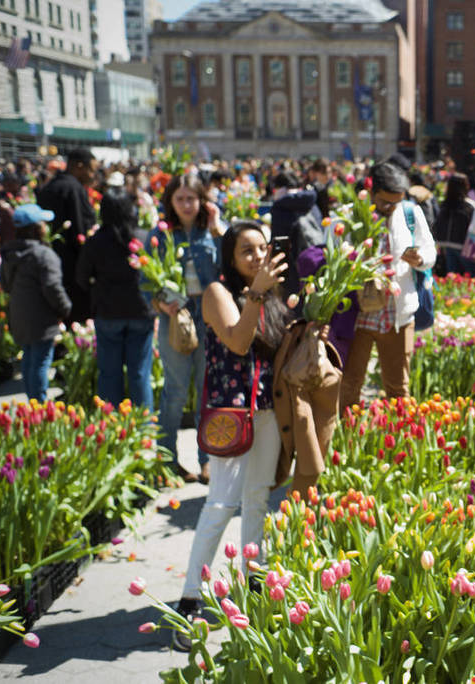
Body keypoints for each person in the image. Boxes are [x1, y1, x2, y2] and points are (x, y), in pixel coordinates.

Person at [172, 220, 292, 651]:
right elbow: (239, 342)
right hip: (229, 415)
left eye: (263, 248)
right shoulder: (216, 294)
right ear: (231, 256)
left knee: (258, 498)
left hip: (265, 412)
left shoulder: (271, 295)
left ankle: (253, 588)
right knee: (221, 503)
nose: (258, 256)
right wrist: (258, 293)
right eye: (247, 250)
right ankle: (190, 600)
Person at [339, 162, 436, 408]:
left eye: (397, 202)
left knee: (398, 387)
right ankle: (347, 439)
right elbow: (335, 256)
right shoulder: (349, 215)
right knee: (349, 384)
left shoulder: (410, 213)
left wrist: (420, 259)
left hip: (397, 313)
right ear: (370, 191)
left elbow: (429, 249)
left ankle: (398, 438)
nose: (392, 209)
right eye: (385, 203)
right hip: (359, 313)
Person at [152, 174, 225, 484]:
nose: (185, 205)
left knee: (207, 392)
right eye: (179, 199)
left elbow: (230, 267)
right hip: (176, 318)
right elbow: (147, 281)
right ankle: (166, 462)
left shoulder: (210, 232)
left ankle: (207, 461)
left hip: (207, 315)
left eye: (191, 199)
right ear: (170, 201)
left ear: (202, 201)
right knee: (175, 392)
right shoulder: (162, 234)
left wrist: (217, 228)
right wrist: (160, 304)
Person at [75, 187, 154, 410]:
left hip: (108, 312)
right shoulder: (143, 238)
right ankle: (143, 425)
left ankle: (111, 425)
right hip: (140, 310)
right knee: (140, 373)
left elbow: (81, 277)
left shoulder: (95, 241)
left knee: (109, 374)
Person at [0, 204, 72, 402]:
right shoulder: (44, 255)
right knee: (40, 362)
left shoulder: (8, 254)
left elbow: (5, 285)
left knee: (29, 359)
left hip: (19, 317)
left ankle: (32, 403)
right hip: (41, 319)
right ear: (35, 228)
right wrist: (65, 308)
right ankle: (38, 406)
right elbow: (53, 288)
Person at [36, 147, 98, 324]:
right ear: (79, 166)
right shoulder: (73, 189)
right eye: (91, 169)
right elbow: (80, 231)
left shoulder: (50, 186)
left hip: (50, 262)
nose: (93, 175)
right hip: (73, 268)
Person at [268, 171, 321, 299]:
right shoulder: (311, 203)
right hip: (315, 261)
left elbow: (278, 244)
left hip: (291, 268)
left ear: (279, 188)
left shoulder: (280, 207)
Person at [431, 173, 475, 275]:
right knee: (471, 276)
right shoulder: (469, 206)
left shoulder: (444, 204)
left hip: (447, 246)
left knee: (453, 277)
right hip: (465, 247)